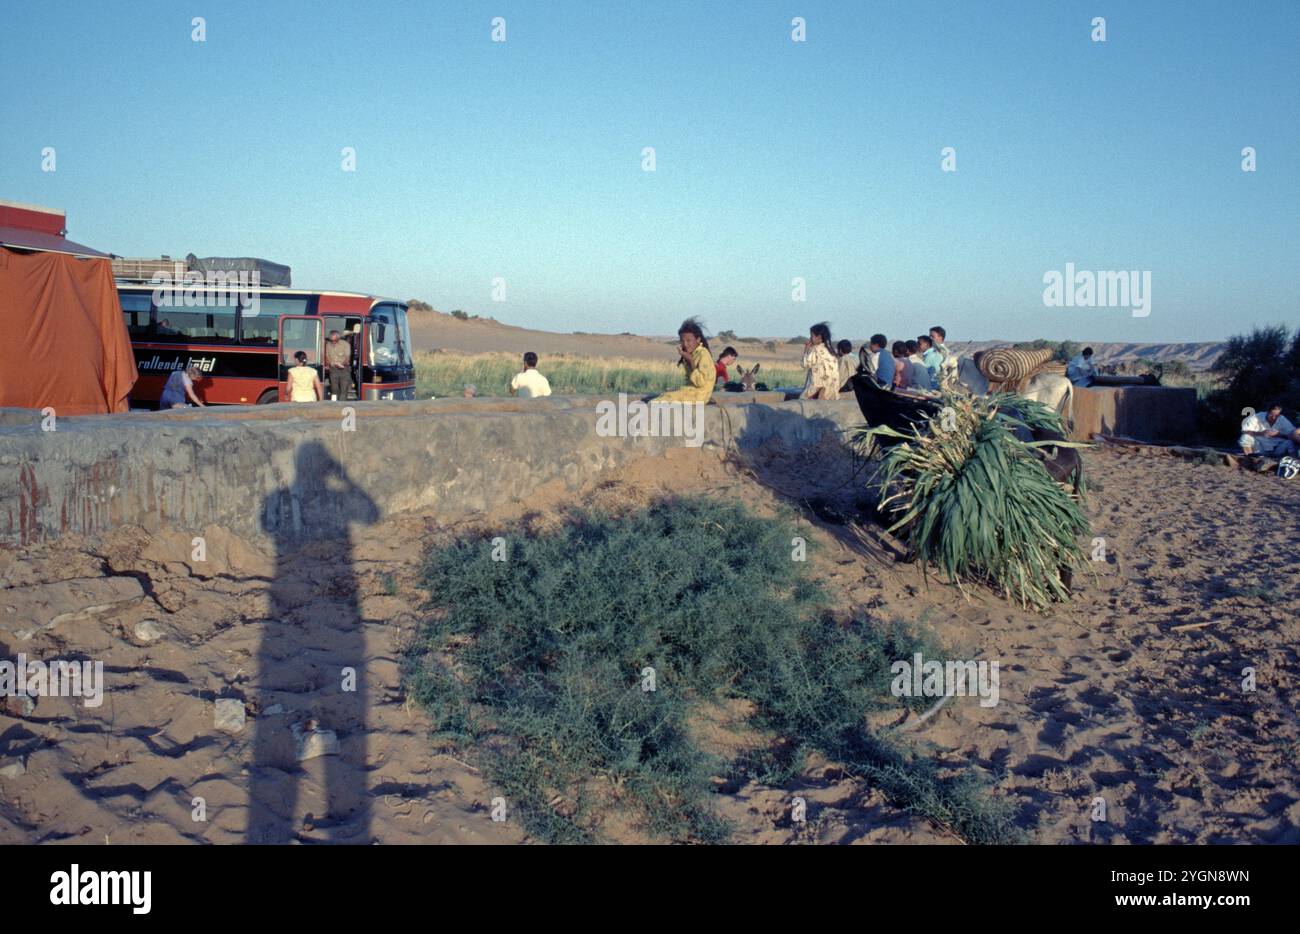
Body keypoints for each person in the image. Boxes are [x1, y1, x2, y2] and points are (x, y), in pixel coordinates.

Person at [654, 318, 715, 404]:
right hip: (692, 392)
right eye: (682, 341)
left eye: (688, 341)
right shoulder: (692, 354)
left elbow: (700, 382)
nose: (685, 344)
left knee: (658, 402)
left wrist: (691, 362)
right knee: (665, 394)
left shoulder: (703, 354)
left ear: (698, 339)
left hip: (700, 396)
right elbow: (689, 381)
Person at [800, 323, 840, 400]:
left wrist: (806, 350)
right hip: (832, 390)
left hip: (817, 387)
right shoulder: (831, 351)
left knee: (802, 399)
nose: (810, 338)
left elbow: (804, 364)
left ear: (819, 337)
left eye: (811, 336)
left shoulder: (815, 349)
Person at [324, 330, 353, 400]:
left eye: (335, 340)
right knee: (334, 389)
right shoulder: (328, 345)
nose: (333, 342)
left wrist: (341, 364)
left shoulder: (345, 344)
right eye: (332, 340)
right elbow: (327, 357)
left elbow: (347, 358)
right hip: (333, 370)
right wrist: (329, 364)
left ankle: (342, 405)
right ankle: (334, 405)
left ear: (338, 338)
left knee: (344, 389)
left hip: (344, 369)